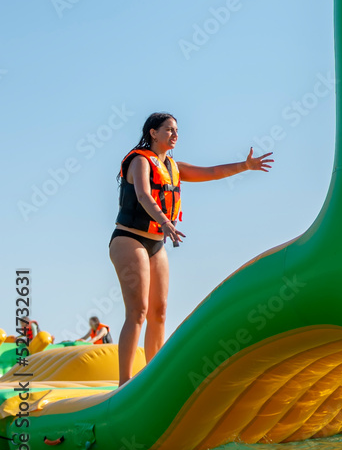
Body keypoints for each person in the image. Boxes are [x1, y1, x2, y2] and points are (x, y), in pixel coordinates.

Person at [110, 112, 274, 385]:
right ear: (153, 133)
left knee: (159, 312)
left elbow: (211, 172)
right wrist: (165, 222)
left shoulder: (173, 167)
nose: (175, 134)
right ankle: (124, 382)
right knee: (138, 311)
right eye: (169, 130)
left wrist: (245, 166)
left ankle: (153, 380)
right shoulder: (140, 161)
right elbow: (143, 194)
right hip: (129, 239)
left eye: (177, 130)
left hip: (156, 243)